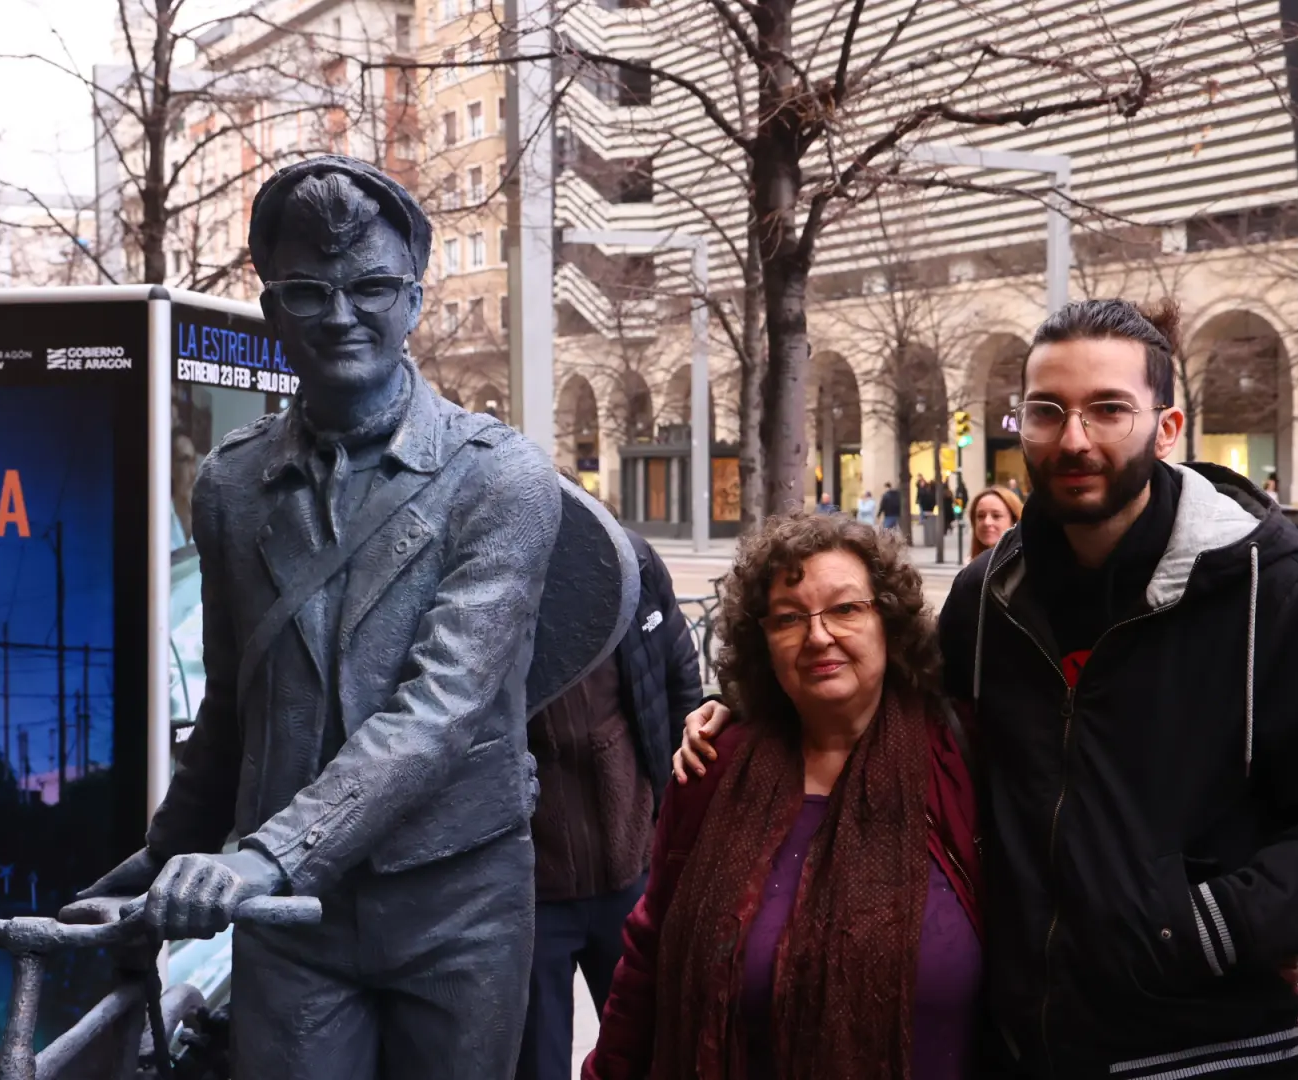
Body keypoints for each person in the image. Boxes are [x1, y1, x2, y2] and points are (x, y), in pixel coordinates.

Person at [680, 300, 1298, 1078]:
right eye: (1047, 411)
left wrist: (1213, 927)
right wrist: (754, 712)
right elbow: (888, 713)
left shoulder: (1271, 588)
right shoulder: (985, 598)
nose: (1073, 439)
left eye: (1107, 410)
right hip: (1020, 1049)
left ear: (1167, 428)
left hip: (1207, 1050)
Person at [75, 157, 569, 1080]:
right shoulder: (229, 487)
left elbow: (440, 712)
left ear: (417, 300)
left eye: (372, 287)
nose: (342, 316)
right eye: (308, 292)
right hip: (291, 924)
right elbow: (231, 710)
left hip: (456, 904)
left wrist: (260, 858)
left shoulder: (501, 480)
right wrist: (163, 861)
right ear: (272, 313)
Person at [587, 513, 981, 1080]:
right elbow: (647, 964)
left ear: (889, 623)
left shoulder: (964, 763)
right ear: (763, 641)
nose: (818, 635)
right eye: (790, 618)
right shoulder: (713, 770)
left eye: (846, 609)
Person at [518, 523, 704, 1080]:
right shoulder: (489, 572)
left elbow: (680, 685)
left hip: (630, 867)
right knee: (536, 1060)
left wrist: (672, 818)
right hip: (531, 889)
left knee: (651, 1050)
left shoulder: (632, 563)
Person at [967, 485, 1023, 560]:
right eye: (981, 516)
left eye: (996, 516)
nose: (987, 522)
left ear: (1014, 520)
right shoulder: (972, 566)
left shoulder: (1027, 565)